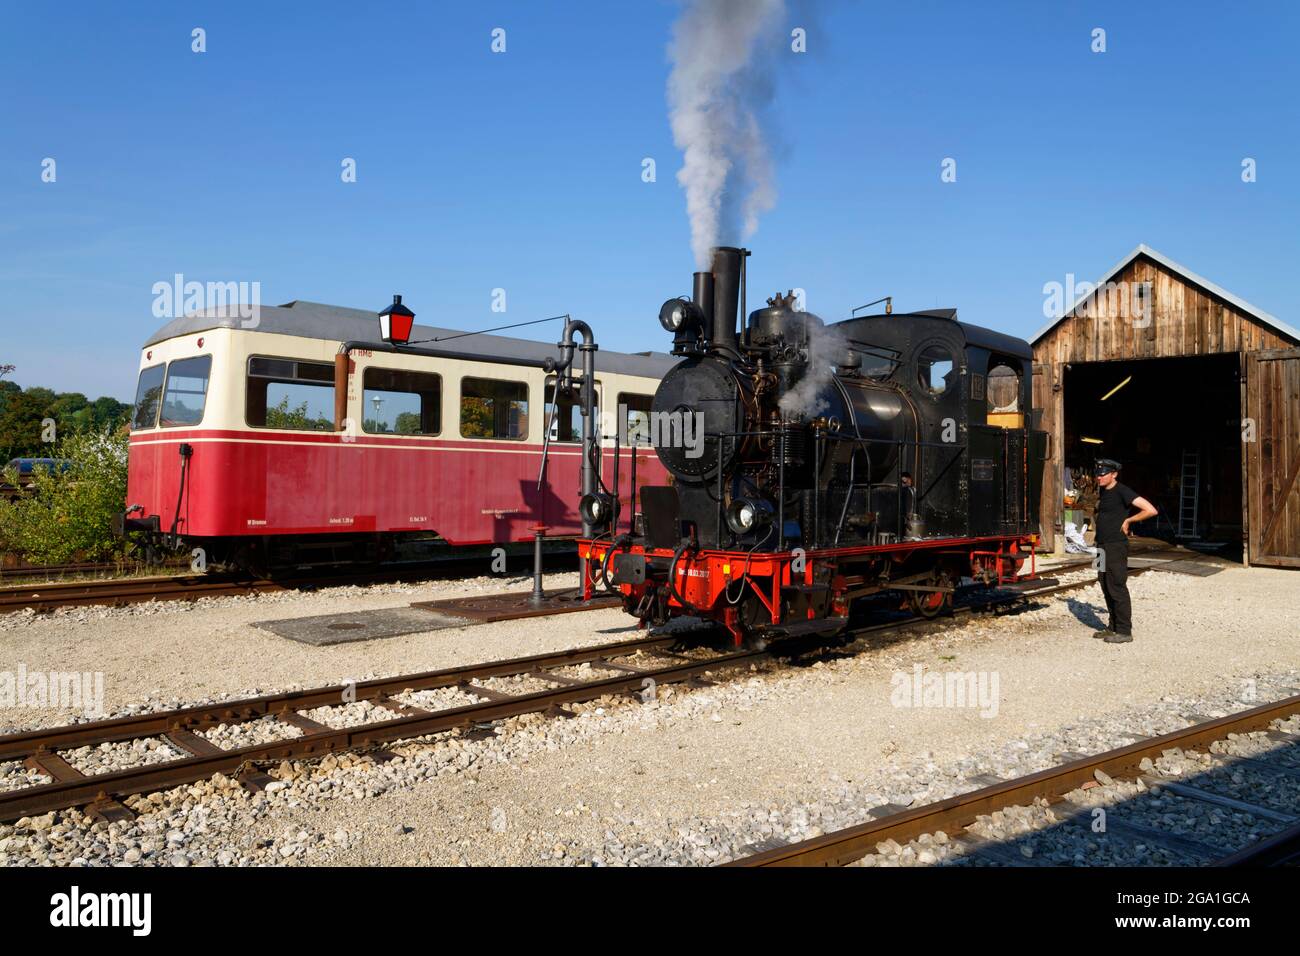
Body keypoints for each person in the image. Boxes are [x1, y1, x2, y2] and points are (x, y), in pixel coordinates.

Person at [1091, 458, 1158, 643]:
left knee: (1116, 586)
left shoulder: (1122, 490)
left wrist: (1129, 521)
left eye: (1103, 474)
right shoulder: (1104, 491)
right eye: (1097, 474)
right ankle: (1112, 627)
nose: (1099, 477)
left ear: (1114, 474)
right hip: (1101, 546)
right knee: (1104, 584)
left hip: (1115, 546)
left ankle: (1124, 630)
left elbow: (1150, 510)